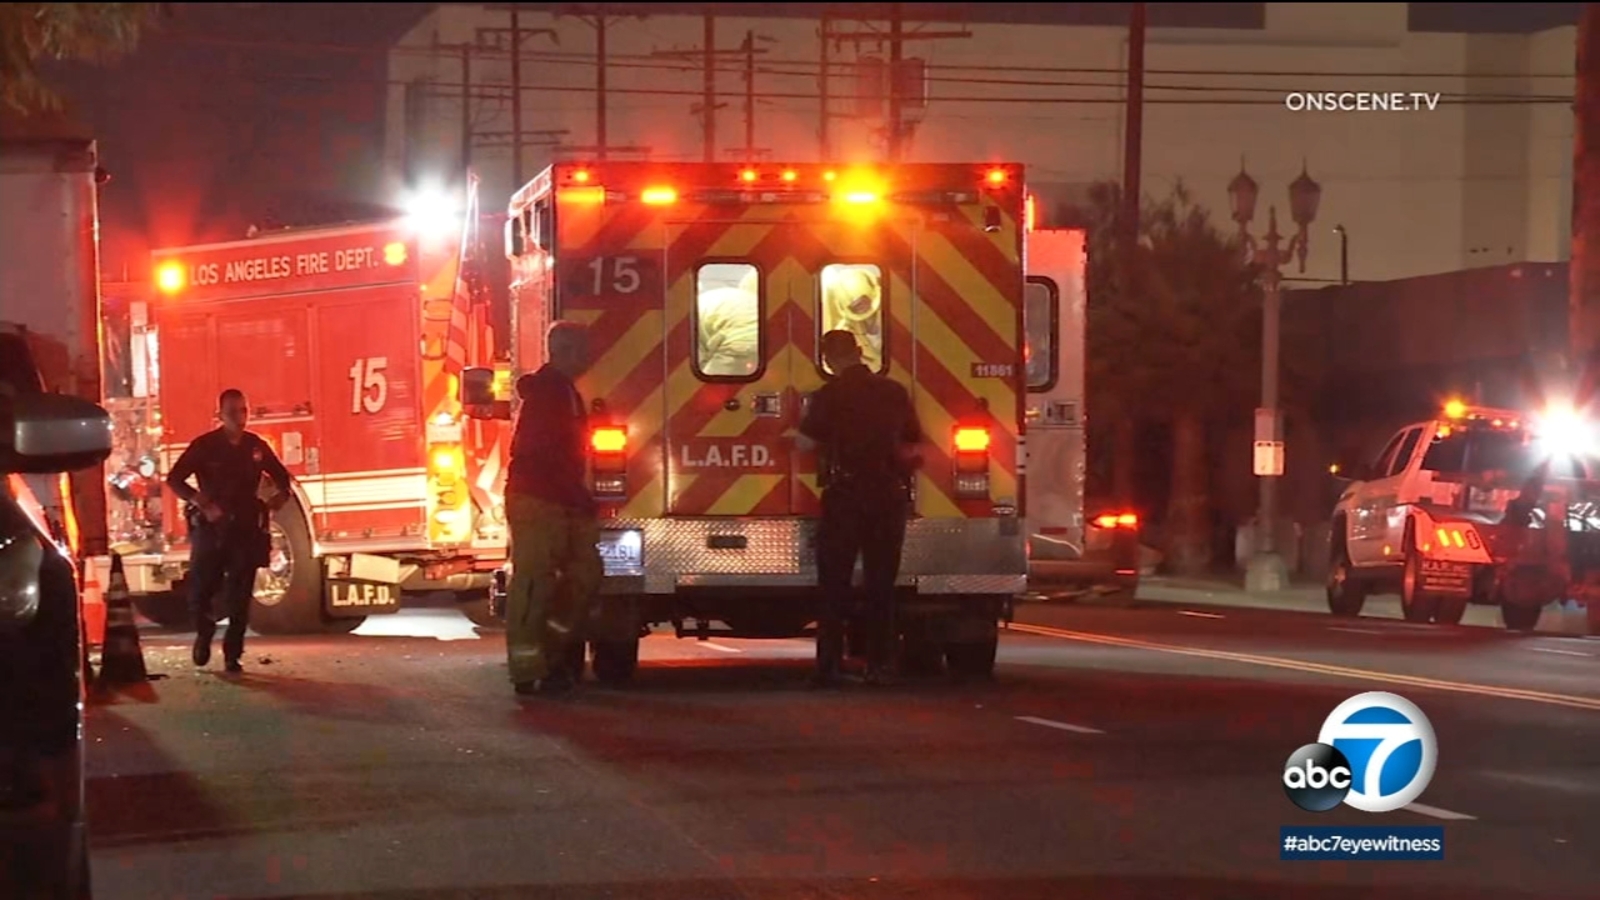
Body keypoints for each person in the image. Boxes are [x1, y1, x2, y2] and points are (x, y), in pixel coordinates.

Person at [797, 329, 923, 686]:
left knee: (834, 585)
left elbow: (808, 440)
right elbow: (912, 437)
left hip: (846, 494)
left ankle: (830, 667)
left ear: (830, 359)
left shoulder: (830, 394)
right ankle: (881, 664)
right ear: (858, 351)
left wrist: (787, 438)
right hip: (888, 494)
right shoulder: (893, 391)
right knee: (881, 584)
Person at [504, 320, 602, 697]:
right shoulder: (550, 393)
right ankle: (528, 669)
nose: (590, 357)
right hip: (539, 500)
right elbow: (544, 455)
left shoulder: (562, 390)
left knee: (584, 575)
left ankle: (552, 654)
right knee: (534, 583)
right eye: (584, 350)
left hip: (557, 499)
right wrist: (578, 497)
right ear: (566, 352)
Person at [166, 388, 292, 674]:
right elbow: (175, 479)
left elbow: (282, 477)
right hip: (211, 527)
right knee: (200, 590)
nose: (240, 417)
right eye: (233, 412)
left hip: (245, 528)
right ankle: (204, 629)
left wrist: (277, 498)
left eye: (244, 411)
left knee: (240, 595)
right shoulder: (205, 446)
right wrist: (201, 502)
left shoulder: (255, 446)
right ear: (220, 415)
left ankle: (232, 655)